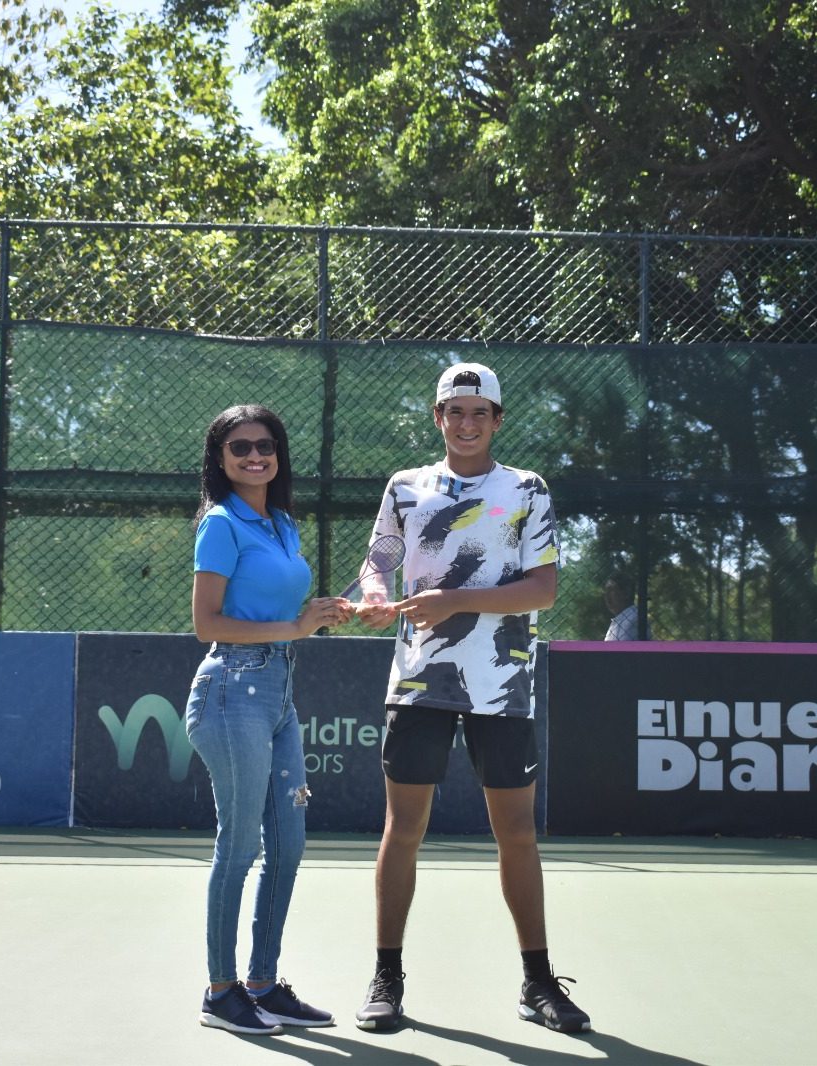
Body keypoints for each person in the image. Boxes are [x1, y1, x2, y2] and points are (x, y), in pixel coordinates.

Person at [352, 363, 592, 1034]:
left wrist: (455, 599)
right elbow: (381, 557)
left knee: (516, 834)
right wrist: (375, 590)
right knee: (404, 832)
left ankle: (538, 983)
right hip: (419, 683)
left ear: (497, 421)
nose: (465, 423)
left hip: (503, 686)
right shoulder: (405, 487)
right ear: (438, 418)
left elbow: (542, 589)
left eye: (478, 412)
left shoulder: (526, 489)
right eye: (454, 411)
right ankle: (387, 977)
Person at [184, 404, 351, 1037]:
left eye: (265, 445)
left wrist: (318, 611)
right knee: (241, 844)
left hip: (278, 690)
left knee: (289, 843)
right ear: (220, 461)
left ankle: (261, 983)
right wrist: (296, 627)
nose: (255, 456)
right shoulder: (220, 525)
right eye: (239, 448)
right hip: (231, 688)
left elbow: (281, 608)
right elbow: (207, 622)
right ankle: (220, 992)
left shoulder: (281, 522)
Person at [602, 573, 639, 641]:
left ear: (626, 593)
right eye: (606, 591)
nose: (606, 595)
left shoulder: (634, 619)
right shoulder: (619, 620)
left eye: (611, 590)